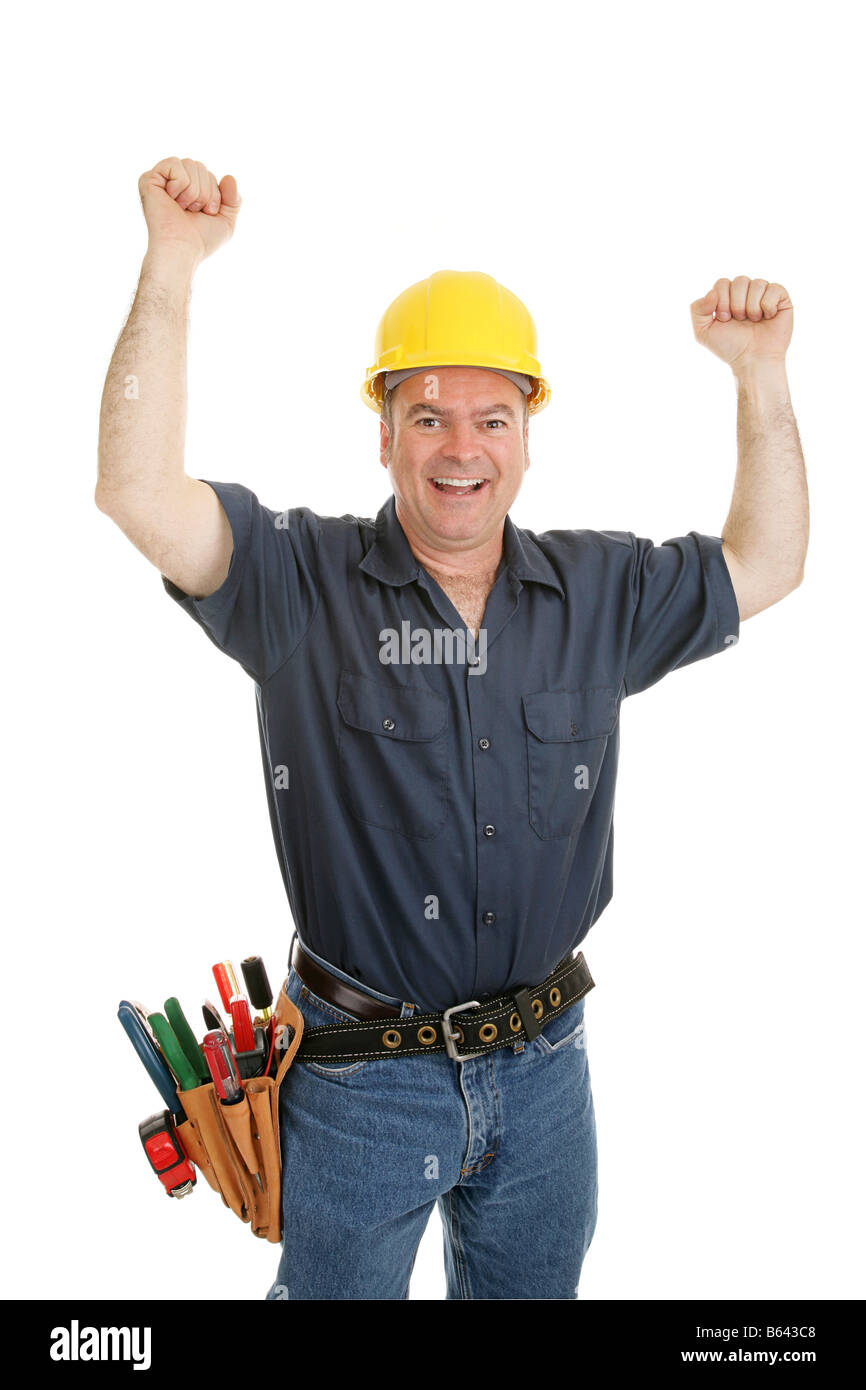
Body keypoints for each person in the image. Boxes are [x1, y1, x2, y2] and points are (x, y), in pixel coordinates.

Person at [96, 156, 809, 1301]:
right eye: (424, 415)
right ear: (382, 433)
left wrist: (758, 378)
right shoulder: (296, 580)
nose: (459, 448)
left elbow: (767, 562)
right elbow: (137, 490)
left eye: (490, 415)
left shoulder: (599, 592)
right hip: (360, 1083)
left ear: (527, 432)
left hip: (546, 1073)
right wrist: (172, 264)